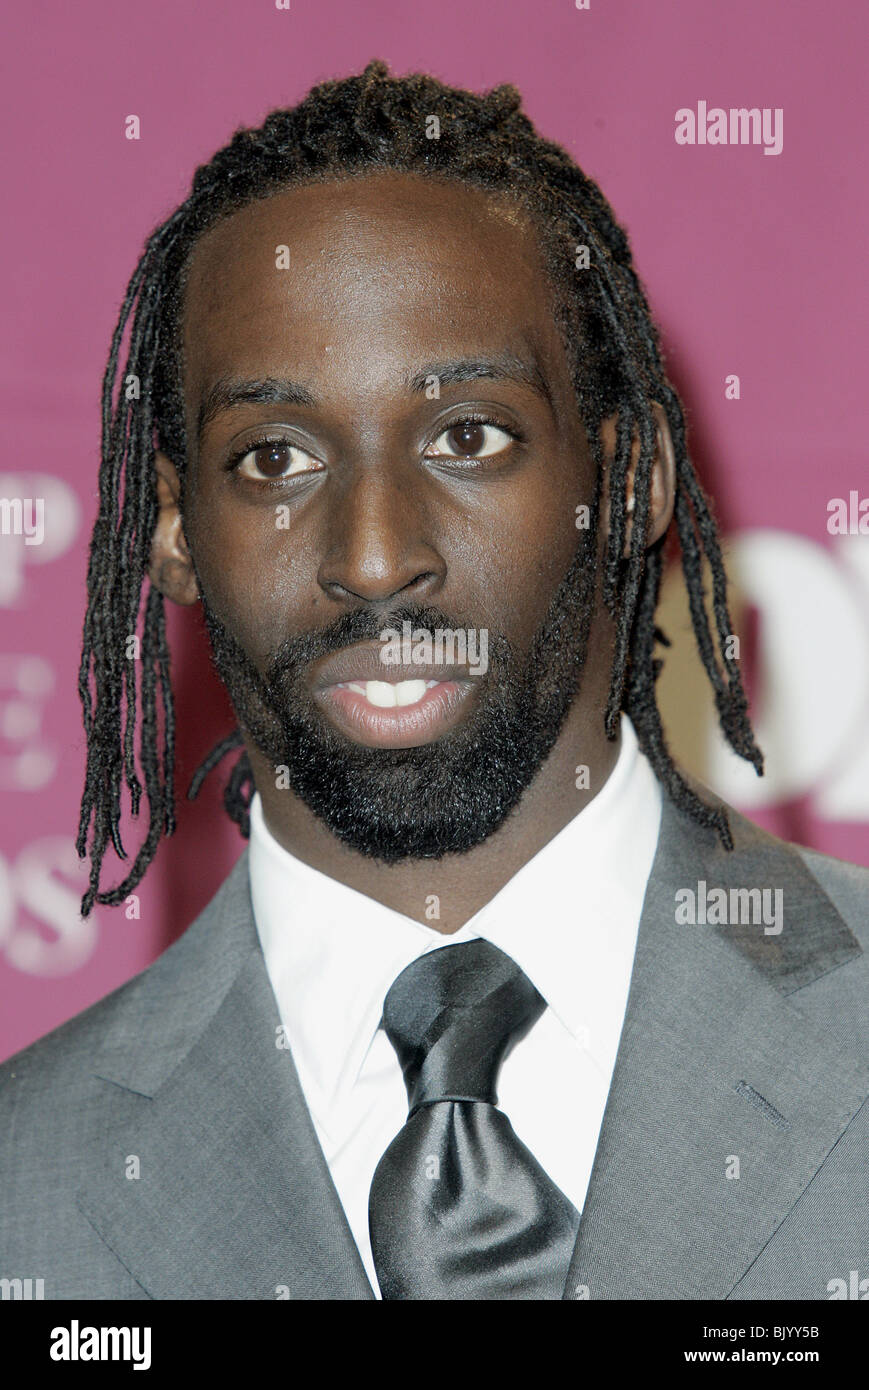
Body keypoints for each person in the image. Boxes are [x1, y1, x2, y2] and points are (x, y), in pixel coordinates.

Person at [1, 61, 866, 1302]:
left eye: (468, 434)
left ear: (628, 484)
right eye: (275, 456)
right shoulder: (23, 1187)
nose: (371, 557)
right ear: (175, 531)